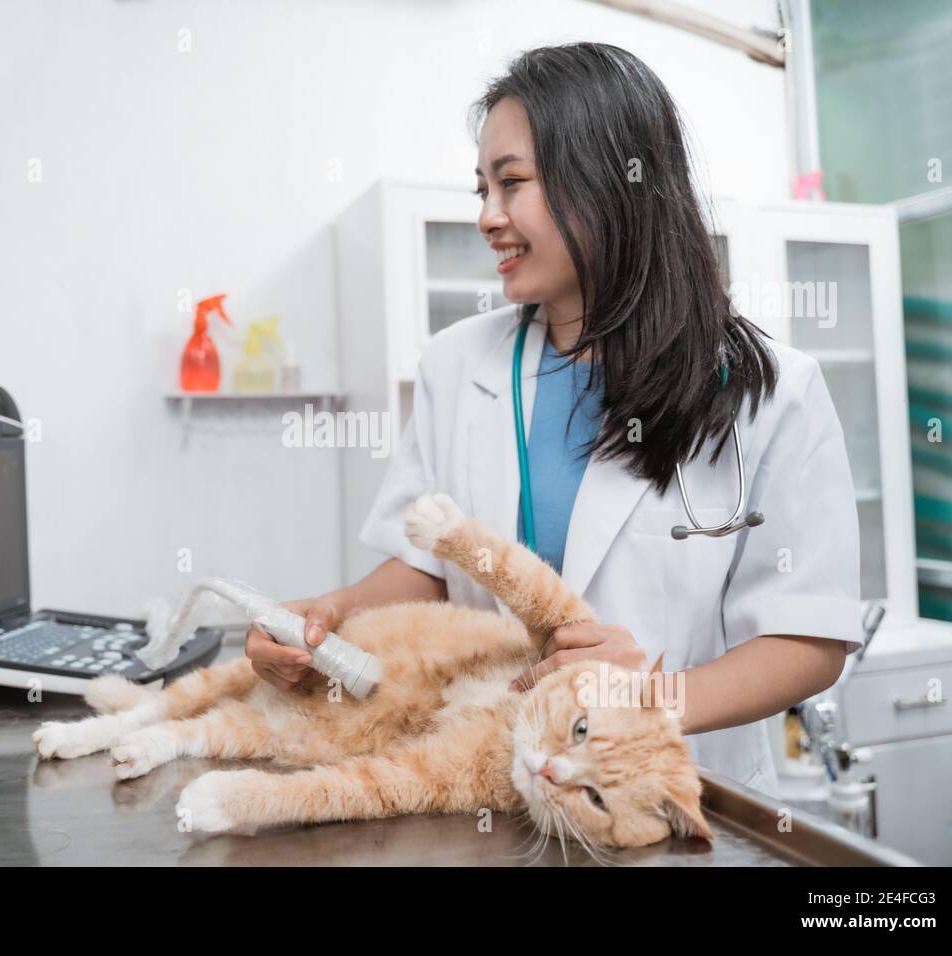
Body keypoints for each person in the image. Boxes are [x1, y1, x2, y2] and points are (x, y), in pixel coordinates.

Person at [246, 43, 861, 797]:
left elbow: (808, 638)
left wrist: (649, 699)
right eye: (482, 189)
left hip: (669, 797)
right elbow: (432, 569)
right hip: (490, 780)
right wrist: (330, 614)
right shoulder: (456, 367)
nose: (486, 218)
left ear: (609, 182)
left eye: (511, 184)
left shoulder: (768, 392)